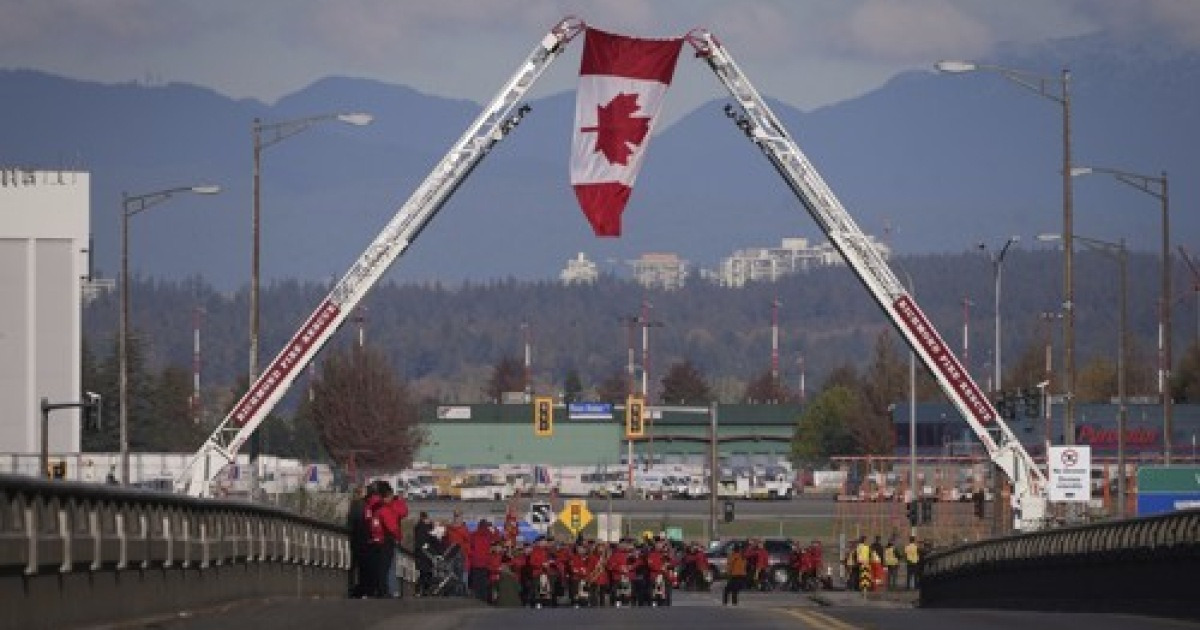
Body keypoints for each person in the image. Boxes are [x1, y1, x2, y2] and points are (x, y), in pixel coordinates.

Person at [345, 484, 368, 597]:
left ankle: (351, 587)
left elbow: (349, 524)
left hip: (354, 539)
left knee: (353, 565)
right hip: (363, 539)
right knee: (363, 565)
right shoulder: (363, 506)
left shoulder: (352, 506)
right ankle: (361, 588)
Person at [413, 511, 436, 595]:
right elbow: (423, 542)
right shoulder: (422, 528)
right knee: (425, 573)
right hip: (424, 554)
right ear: (425, 518)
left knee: (425, 573)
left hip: (423, 554)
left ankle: (423, 590)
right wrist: (430, 550)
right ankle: (422, 590)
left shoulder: (420, 527)